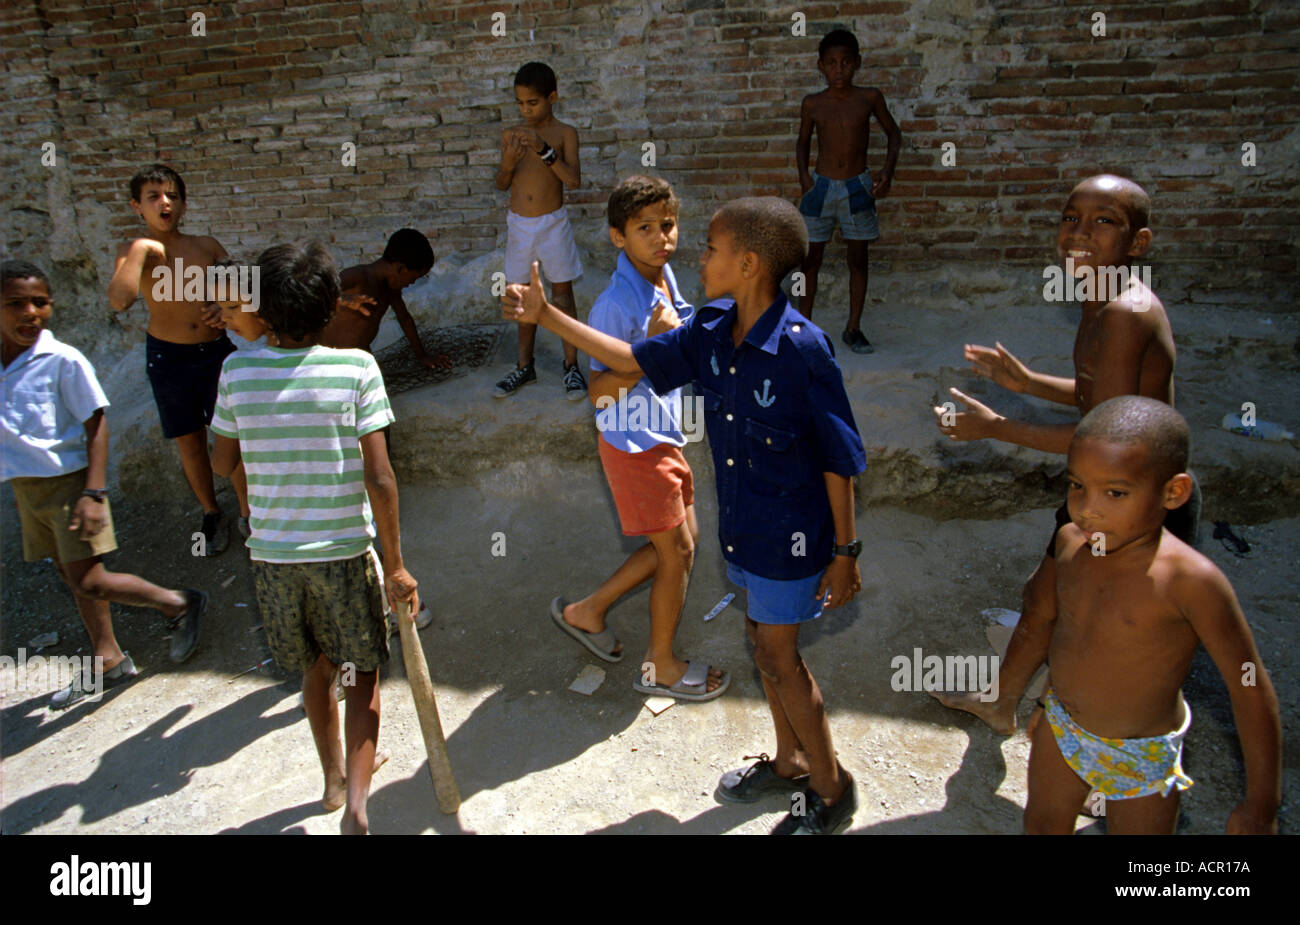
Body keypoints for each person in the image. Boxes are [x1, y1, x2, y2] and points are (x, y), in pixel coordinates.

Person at [504, 197, 867, 835]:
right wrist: (547, 315)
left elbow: (840, 458)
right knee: (762, 645)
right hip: (744, 529)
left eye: (713, 249)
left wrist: (845, 553)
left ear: (749, 264)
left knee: (781, 657)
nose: (697, 255)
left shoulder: (803, 351)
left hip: (792, 535)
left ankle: (833, 789)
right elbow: (630, 360)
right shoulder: (710, 329)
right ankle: (788, 762)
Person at [931, 174, 1193, 735]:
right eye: (1071, 218)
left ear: (1138, 244)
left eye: (1104, 222)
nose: (1080, 233)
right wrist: (1027, 383)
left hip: (1132, 502)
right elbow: (1097, 397)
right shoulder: (1099, 298)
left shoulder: (1125, 312)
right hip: (1106, 491)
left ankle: (1089, 749)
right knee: (1042, 596)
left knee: (1097, 626)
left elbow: (1109, 442)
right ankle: (1001, 702)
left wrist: (997, 428)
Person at [210, 241, 419, 835]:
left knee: (315, 671)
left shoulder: (236, 371)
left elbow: (223, 459)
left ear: (262, 311)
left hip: (274, 558)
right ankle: (356, 803)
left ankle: (330, 781)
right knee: (363, 677)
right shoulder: (356, 369)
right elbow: (380, 477)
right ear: (331, 307)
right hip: (344, 555)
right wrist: (397, 565)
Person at [1025, 396, 1280, 834]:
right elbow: (1072, 633)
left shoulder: (1190, 582)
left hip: (1141, 755)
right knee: (1041, 826)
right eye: (1077, 485)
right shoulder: (1071, 544)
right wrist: (1048, 703)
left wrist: (1261, 803)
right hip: (1062, 728)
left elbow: (1248, 684)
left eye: (1116, 492)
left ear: (1173, 492)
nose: (1088, 508)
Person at [551, 175, 726, 700]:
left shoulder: (664, 276)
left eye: (666, 225)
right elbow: (600, 394)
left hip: (661, 435)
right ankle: (662, 667)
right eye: (643, 228)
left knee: (678, 543)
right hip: (635, 445)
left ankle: (587, 612)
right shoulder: (614, 305)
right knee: (677, 552)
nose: (659, 237)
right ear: (617, 237)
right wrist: (648, 348)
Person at [1, 260, 207, 708]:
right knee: (70, 574)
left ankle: (179, 602)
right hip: (27, 488)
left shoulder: (61, 360)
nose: (30, 312)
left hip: (68, 487)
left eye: (39, 303)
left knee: (91, 580)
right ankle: (108, 658)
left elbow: (96, 423)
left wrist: (94, 492)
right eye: (16, 304)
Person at [107, 163, 247, 554]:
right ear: (137, 206)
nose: (164, 202)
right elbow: (119, 300)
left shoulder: (206, 245)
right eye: (153, 196)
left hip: (215, 353)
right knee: (189, 441)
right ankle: (210, 511)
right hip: (168, 358)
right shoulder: (132, 252)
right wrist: (141, 250)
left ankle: (250, 513)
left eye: (172, 195)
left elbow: (244, 295)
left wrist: (223, 312)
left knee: (231, 434)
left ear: (184, 204)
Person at [796, 28, 901, 353]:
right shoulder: (813, 104)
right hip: (820, 187)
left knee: (858, 260)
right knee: (810, 261)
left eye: (845, 63)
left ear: (857, 63)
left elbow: (894, 135)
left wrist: (887, 172)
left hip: (858, 187)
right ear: (820, 66)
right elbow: (802, 142)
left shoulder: (868, 98)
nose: (838, 70)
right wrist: (804, 177)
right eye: (831, 63)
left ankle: (853, 328)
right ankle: (803, 330)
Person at [493, 61, 587, 400]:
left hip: (553, 223)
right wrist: (507, 163)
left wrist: (542, 149)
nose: (525, 110)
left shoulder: (565, 134)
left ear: (552, 98)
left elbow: (573, 180)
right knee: (520, 296)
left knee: (562, 294)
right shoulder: (511, 135)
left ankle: (571, 366)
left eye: (532, 103)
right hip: (519, 225)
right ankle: (524, 366)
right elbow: (502, 183)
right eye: (519, 103)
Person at [318, 228, 451, 371]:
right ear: (400, 269)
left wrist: (422, 355)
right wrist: (343, 298)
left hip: (360, 356)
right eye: (413, 278)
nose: (411, 284)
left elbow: (405, 319)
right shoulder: (358, 277)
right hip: (328, 357)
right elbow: (317, 291)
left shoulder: (391, 290)